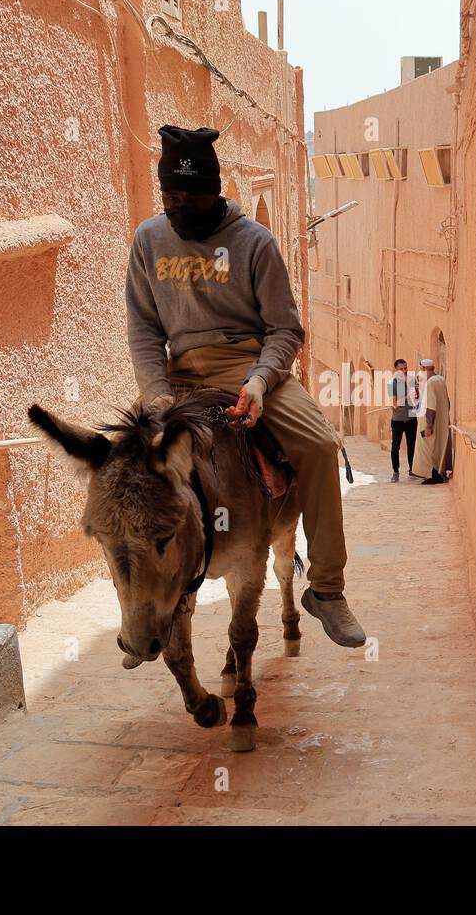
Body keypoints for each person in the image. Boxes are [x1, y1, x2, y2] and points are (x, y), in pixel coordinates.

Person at [125, 124, 366, 647]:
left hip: (254, 371)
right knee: (126, 474)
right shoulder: (147, 240)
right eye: (171, 196)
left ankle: (326, 588)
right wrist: (156, 394)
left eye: (193, 196)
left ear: (216, 190)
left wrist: (259, 382)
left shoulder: (254, 242)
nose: (181, 206)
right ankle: (143, 612)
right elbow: (144, 329)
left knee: (321, 446)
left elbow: (286, 328)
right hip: (181, 378)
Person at [409, 358, 452, 484]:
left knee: (429, 447)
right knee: (437, 446)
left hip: (431, 422)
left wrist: (428, 425)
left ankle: (433, 474)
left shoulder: (430, 383)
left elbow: (430, 406)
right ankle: (439, 472)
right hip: (441, 421)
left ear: (423, 369)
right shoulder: (440, 379)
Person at [386, 358, 419, 482]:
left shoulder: (411, 380)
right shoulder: (392, 383)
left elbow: (417, 397)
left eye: (406, 368)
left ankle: (412, 470)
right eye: (401, 369)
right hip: (398, 420)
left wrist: (417, 390)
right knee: (395, 446)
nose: (404, 371)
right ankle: (395, 471)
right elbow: (395, 403)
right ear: (396, 369)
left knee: (412, 445)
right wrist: (407, 396)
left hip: (411, 418)